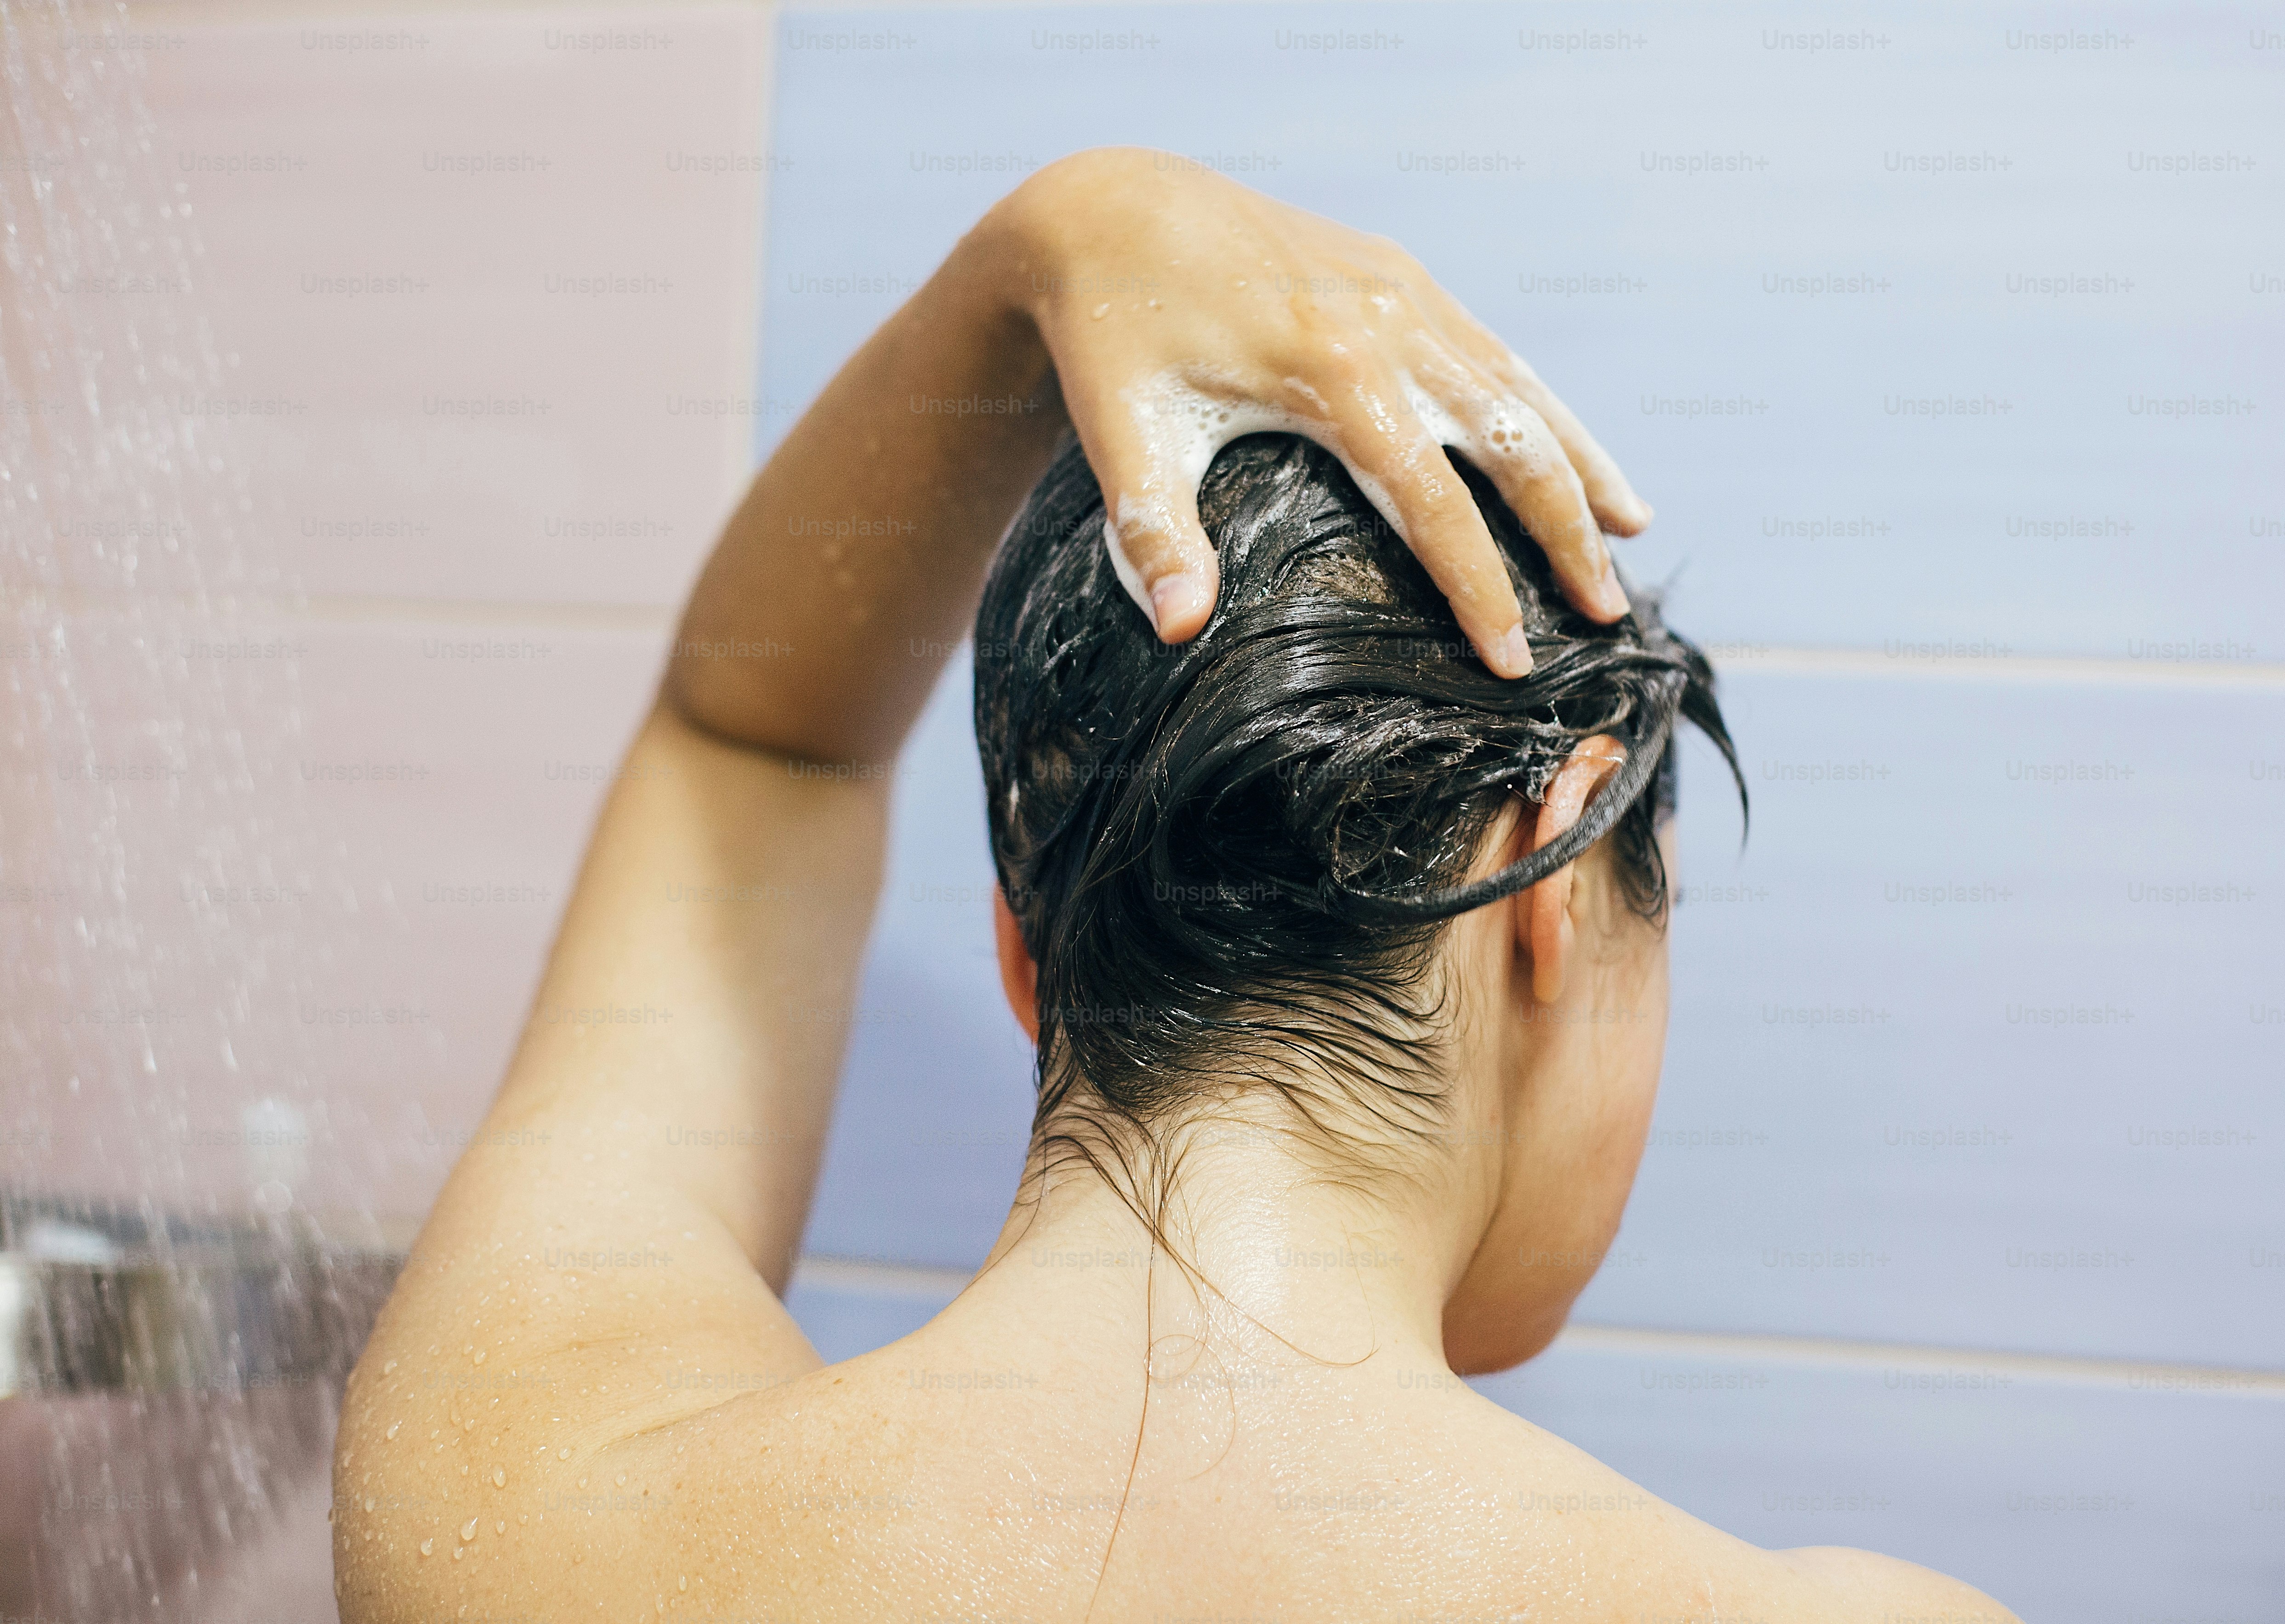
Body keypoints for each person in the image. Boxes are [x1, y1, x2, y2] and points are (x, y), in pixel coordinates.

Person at [335, 147, 2019, 1624]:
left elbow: (756, 744)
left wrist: (1045, 249)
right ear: (1551, 878)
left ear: (1024, 954)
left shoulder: (523, 1511)